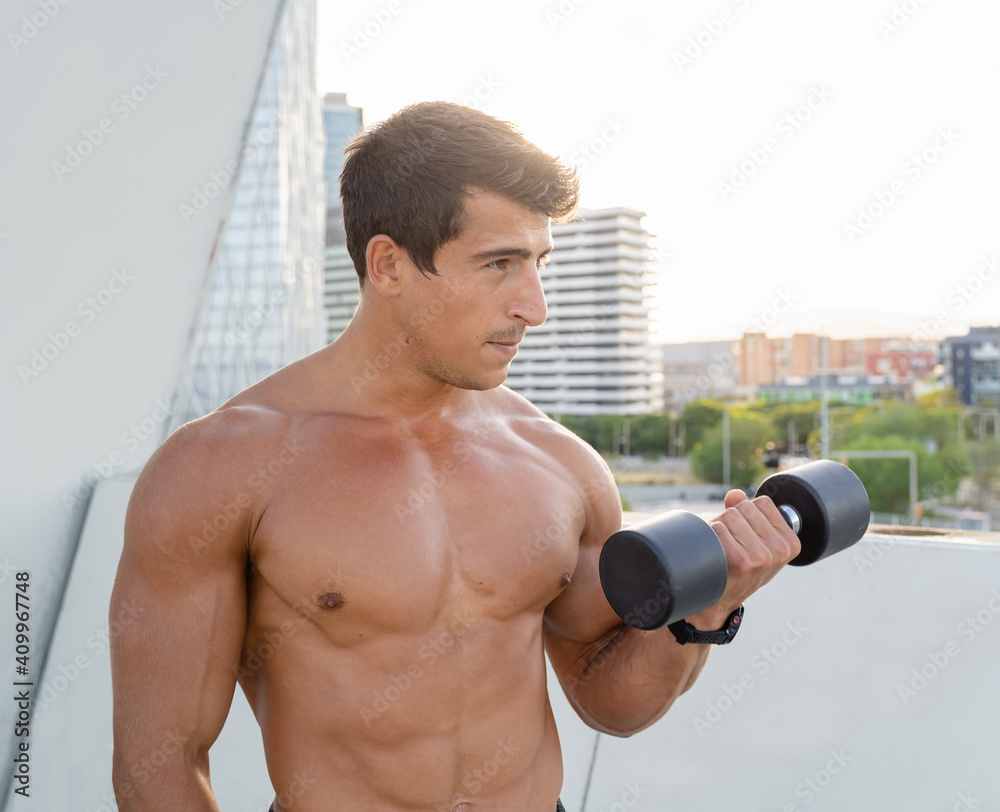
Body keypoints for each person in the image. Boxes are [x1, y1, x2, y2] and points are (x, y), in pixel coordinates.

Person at [109, 101, 800, 812]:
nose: (534, 306)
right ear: (389, 265)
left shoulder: (558, 462)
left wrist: (707, 611)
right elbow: (158, 764)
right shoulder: (221, 468)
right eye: (498, 263)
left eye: (537, 262)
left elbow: (611, 703)